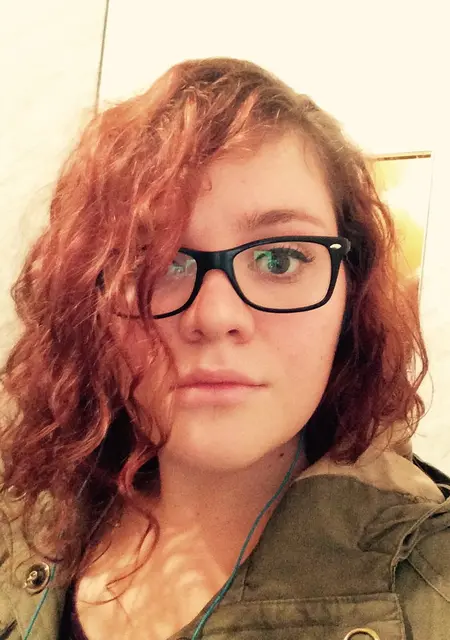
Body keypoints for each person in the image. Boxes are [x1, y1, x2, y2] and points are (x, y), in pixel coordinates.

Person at [1, 57, 449, 640]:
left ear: (351, 294)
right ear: (90, 302)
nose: (214, 317)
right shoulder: (24, 519)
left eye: (279, 259)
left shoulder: (431, 584)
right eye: (155, 261)